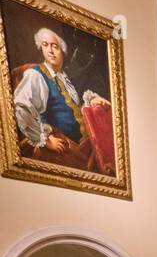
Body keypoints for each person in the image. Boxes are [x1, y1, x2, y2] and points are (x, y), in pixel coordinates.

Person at [13, 27, 111, 172]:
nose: (50, 51)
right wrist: (45, 140)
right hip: (62, 146)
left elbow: (73, 109)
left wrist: (92, 102)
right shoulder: (35, 74)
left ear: (63, 52)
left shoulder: (63, 78)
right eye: (45, 45)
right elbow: (22, 106)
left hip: (81, 144)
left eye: (55, 46)